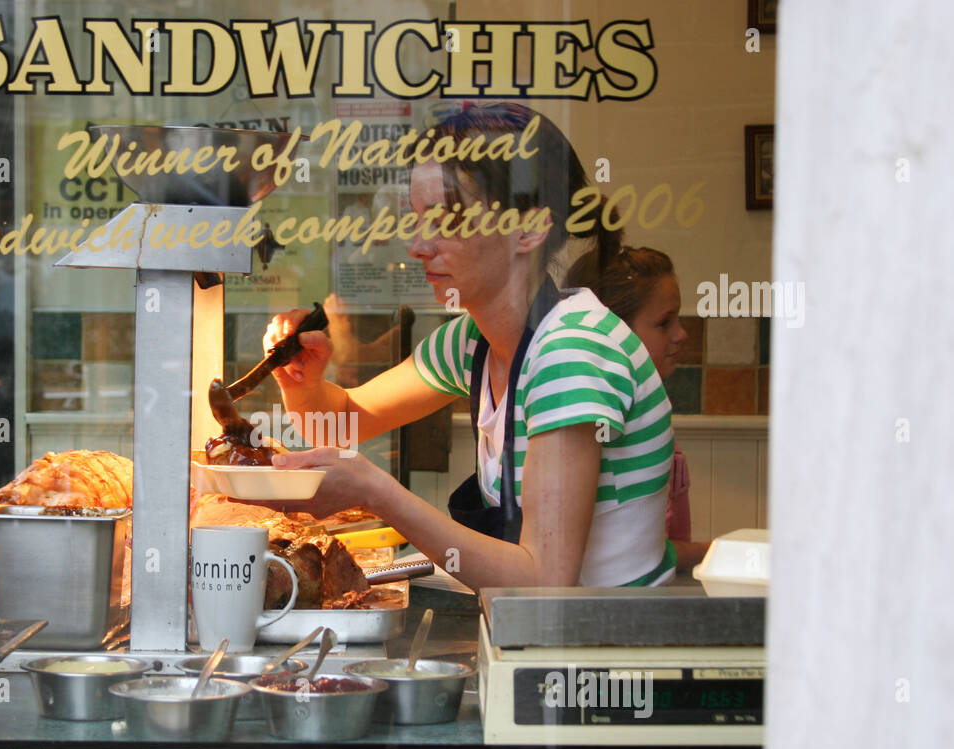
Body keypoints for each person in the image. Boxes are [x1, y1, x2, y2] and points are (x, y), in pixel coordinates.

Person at [262, 103, 677, 589]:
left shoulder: (572, 351)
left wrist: (377, 492)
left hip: (600, 650)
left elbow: (545, 583)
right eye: (416, 219)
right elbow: (345, 418)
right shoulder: (473, 341)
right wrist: (303, 382)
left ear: (530, 227)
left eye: (446, 219)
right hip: (529, 637)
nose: (418, 245)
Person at [569, 246, 710, 573]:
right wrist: (712, 551)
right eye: (664, 323)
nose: (681, 334)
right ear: (612, 332)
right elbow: (625, 553)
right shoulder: (597, 428)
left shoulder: (651, 415)